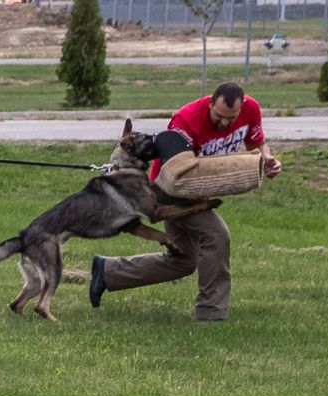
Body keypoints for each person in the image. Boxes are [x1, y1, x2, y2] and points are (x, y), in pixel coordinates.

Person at [90, 81, 282, 322]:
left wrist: (267, 159)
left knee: (183, 261)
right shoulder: (187, 119)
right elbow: (180, 174)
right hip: (170, 187)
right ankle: (211, 313)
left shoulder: (251, 109)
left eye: (231, 118)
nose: (224, 123)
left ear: (241, 107)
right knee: (217, 235)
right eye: (219, 116)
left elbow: (256, 143)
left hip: (199, 189)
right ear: (210, 103)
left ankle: (107, 272)